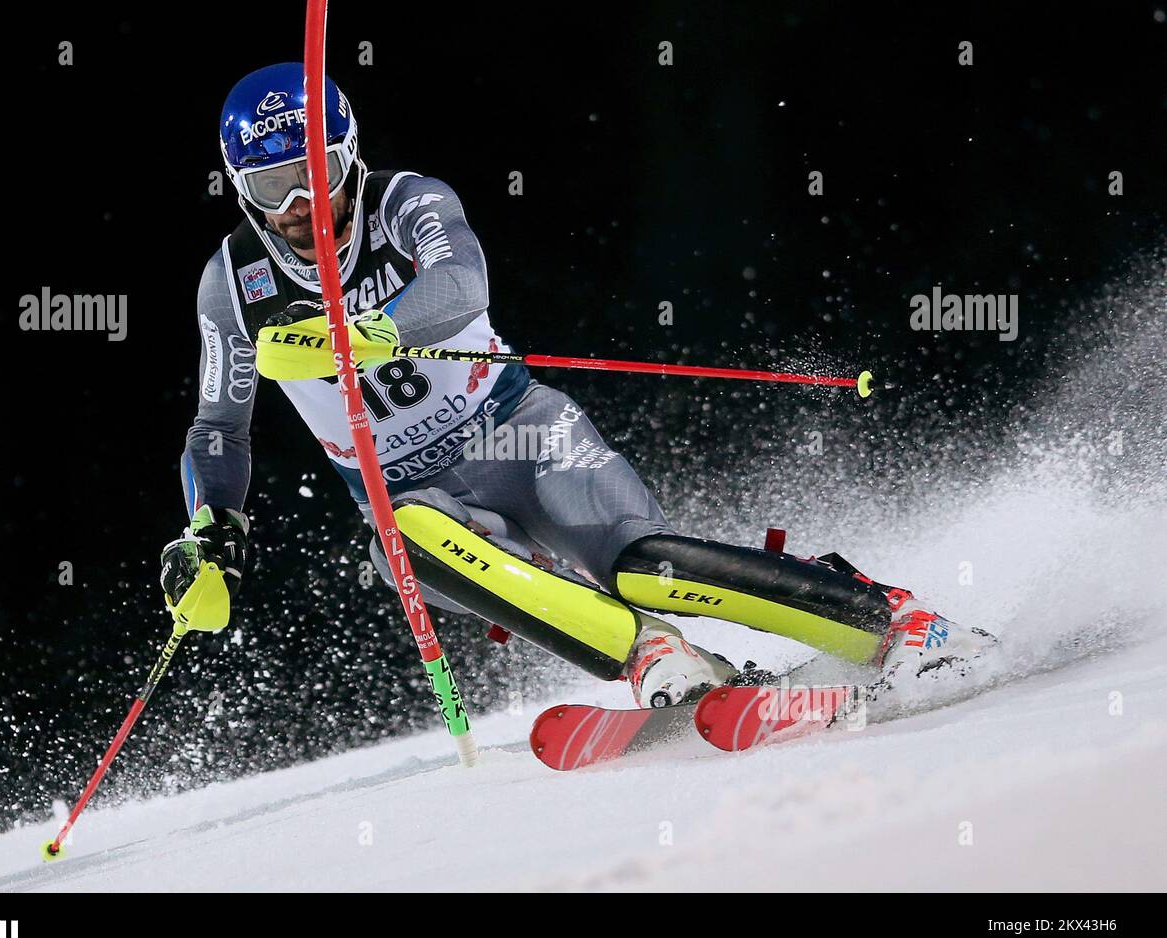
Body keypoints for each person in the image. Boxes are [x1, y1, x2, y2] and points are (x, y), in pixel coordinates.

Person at [162, 63, 989, 710]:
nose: (305, 205)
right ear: (244, 191)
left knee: (640, 564)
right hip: (416, 495)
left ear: (349, 156)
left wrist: (357, 336)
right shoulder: (233, 286)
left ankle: (893, 619)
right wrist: (211, 535)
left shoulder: (406, 201)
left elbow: (462, 284)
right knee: (400, 542)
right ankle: (657, 652)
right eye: (276, 190)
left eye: (315, 174)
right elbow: (217, 430)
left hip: (521, 432)